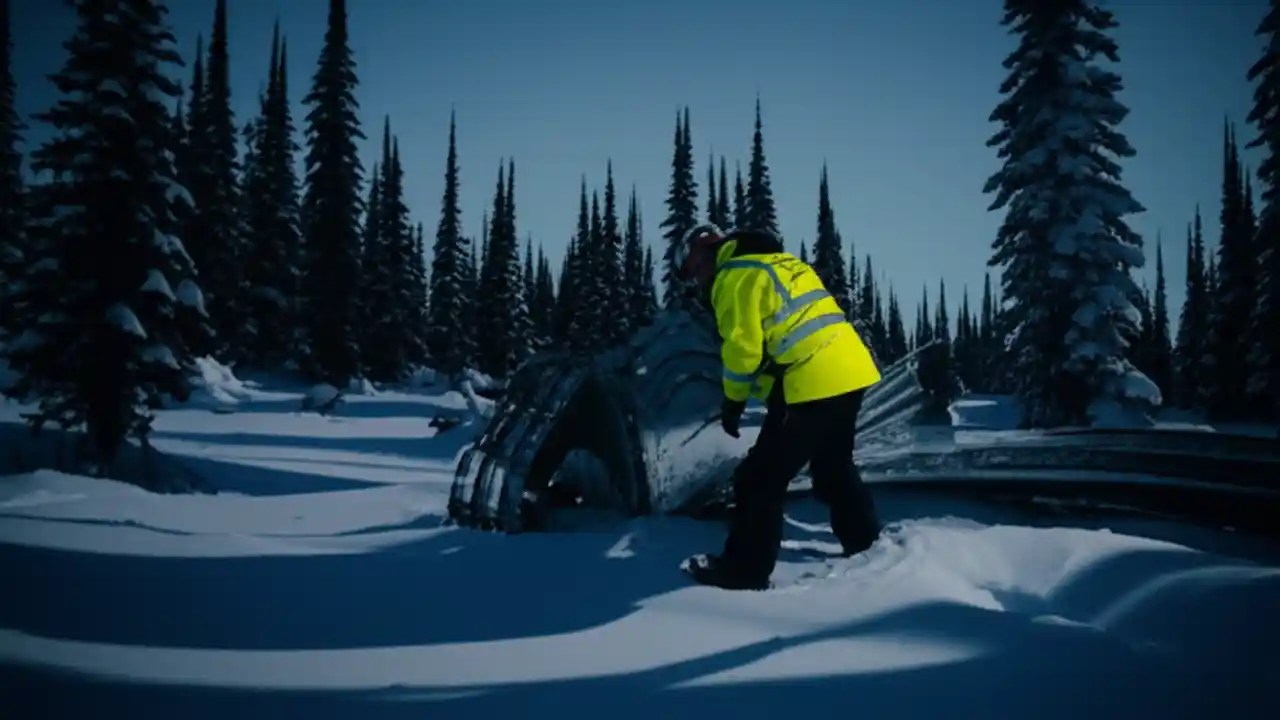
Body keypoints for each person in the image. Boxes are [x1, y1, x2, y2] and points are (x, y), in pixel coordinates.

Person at [674, 222, 883, 590]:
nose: (697, 280)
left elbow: (743, 351)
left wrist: (733, 402)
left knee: (758, 479)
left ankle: (744, 571)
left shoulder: (732, 278)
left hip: (811, 382)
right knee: (834, 467)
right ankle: (868, 547)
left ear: (705, 252)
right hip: (852, 373)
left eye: (693, 269)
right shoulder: (780, 262)